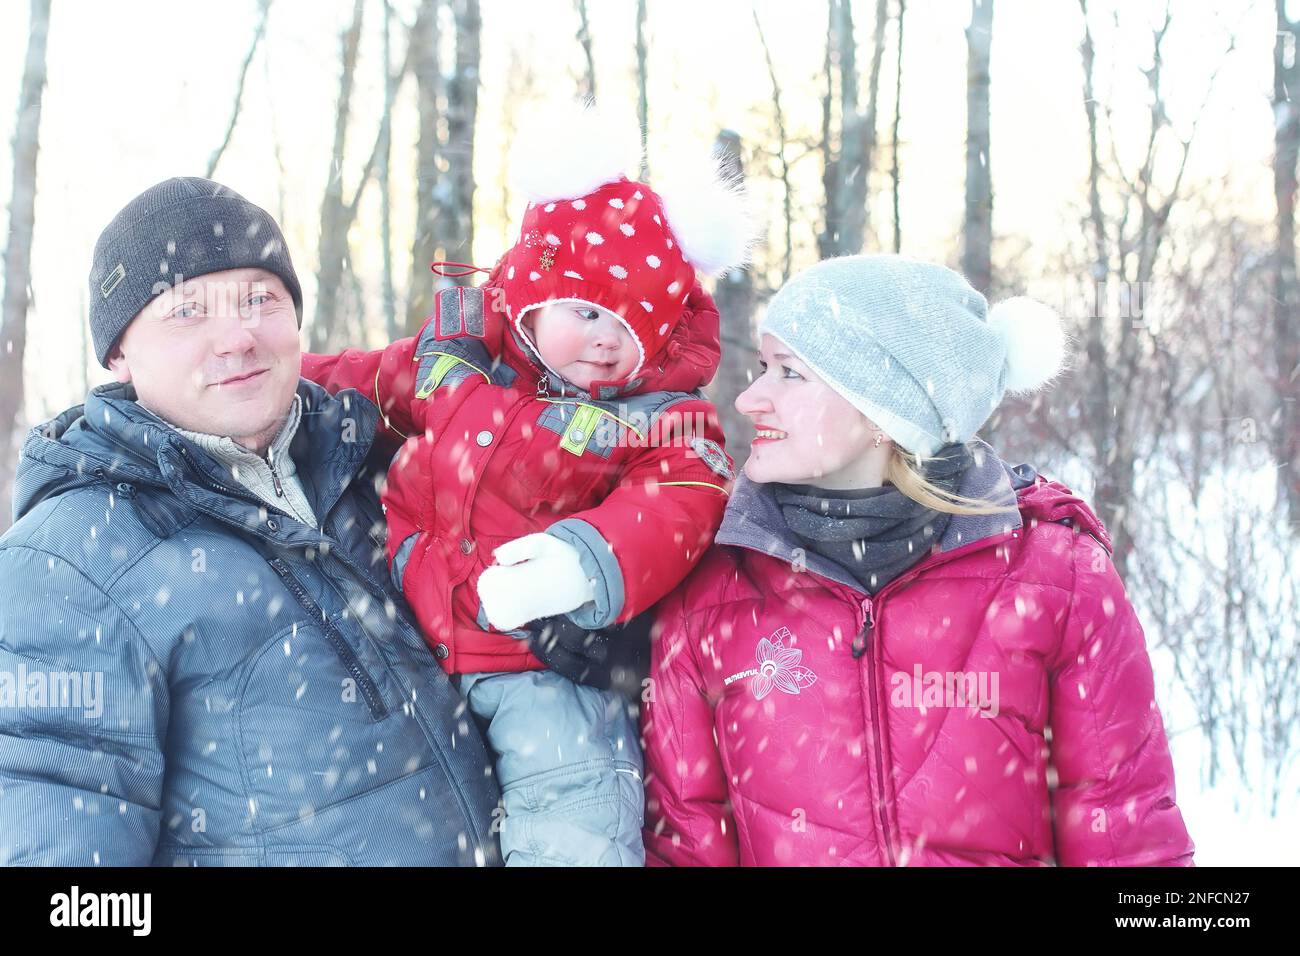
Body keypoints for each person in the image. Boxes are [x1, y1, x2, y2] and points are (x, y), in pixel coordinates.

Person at [0, 177, 501, 866]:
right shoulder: (66, 564)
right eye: (186, 311)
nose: (236, 337)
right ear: (119, 352)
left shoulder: (379, 470)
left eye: (260, 299)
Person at [299, 107, 752, 865]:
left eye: (632, 328)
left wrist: (585, 560)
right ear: (535, 296)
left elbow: (681, 496)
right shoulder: (455, 363)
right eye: (588, 312)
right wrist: (281, 383)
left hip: (546, 663)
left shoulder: (659, 418)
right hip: (412, 645)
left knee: (572, 805)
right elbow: (361, 379)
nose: (608, 340)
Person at [640, 254, 1196, 866]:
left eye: (790, 373)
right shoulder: (711, 589)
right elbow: (685, 847)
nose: (750, 399)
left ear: (884, 409)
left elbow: (1126, 835)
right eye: (762, 368)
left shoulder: (1056, 577)